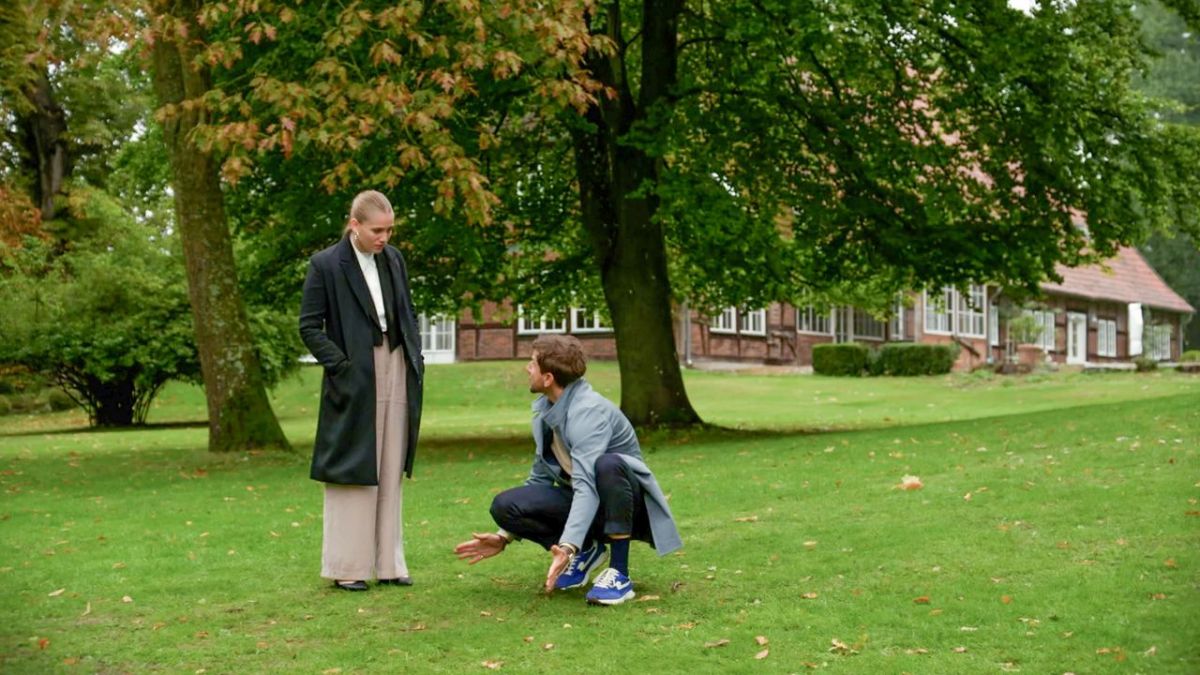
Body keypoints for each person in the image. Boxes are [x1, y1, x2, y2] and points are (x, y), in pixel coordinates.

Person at [454, 334, 682, 605]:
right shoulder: (546, 410)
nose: (527, 369)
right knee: (505, 506)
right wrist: (505, 535)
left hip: (627, 506)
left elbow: (587, 485)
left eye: (532, 363)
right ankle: (588, 550)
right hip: (588, 503)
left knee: (607, 465)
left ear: (548, 378)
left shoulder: (588, 412)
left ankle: (620, 574)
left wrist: (566, 546)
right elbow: (539, 479)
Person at [299, 190, 424, 591]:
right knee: (354, 466)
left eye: (389, 230)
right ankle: (347, 567)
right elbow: (309, 326)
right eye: (377, 230)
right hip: (355, 372)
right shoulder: (326, 265)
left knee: (390, 465)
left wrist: (412, 356)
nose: (384, 237)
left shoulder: (394, 259)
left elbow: (404, 311)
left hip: (395, 364)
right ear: (355, 225)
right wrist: (342, 367)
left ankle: (388, 563)